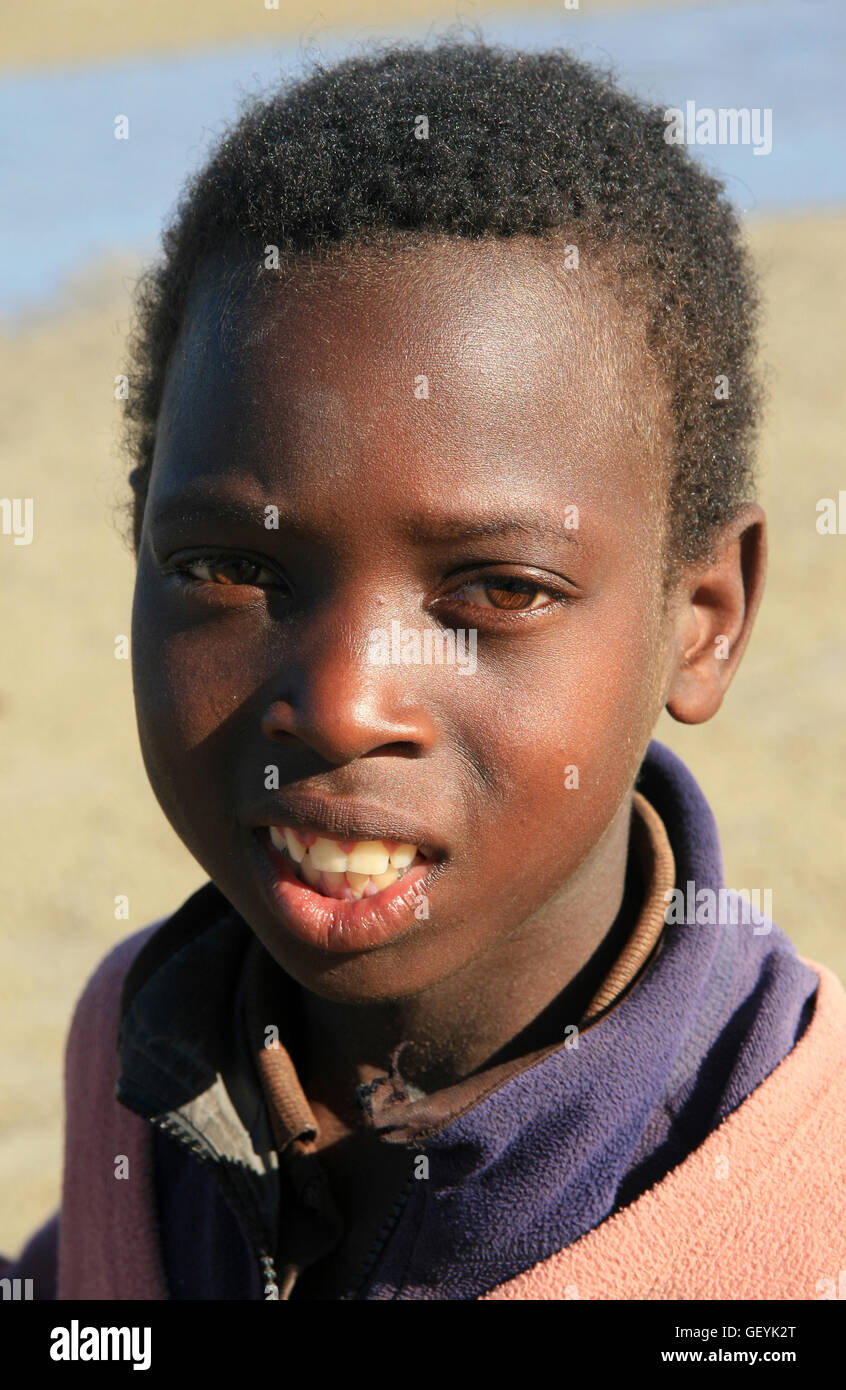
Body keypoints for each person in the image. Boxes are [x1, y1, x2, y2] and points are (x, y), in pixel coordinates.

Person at [4, 39, 844, 1301]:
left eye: (498, 591)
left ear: (704, 618)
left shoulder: (796, 1223)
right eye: (232, 569)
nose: (343, 702)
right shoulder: (145, 1045)